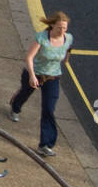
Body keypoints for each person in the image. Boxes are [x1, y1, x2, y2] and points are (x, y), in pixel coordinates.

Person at [8, 12, 72, 157]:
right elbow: (29, 57)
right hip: (35, 74)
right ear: (52, 25)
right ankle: (15, 106)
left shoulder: (68, 38)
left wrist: (66, 58)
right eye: (60, 27)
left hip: (53, 77)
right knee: (25, 93)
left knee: (48, 109)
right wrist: (31, 76)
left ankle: (45, 145)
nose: (62, 31)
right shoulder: (42, 38)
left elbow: (68, 48)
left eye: (65, 28)